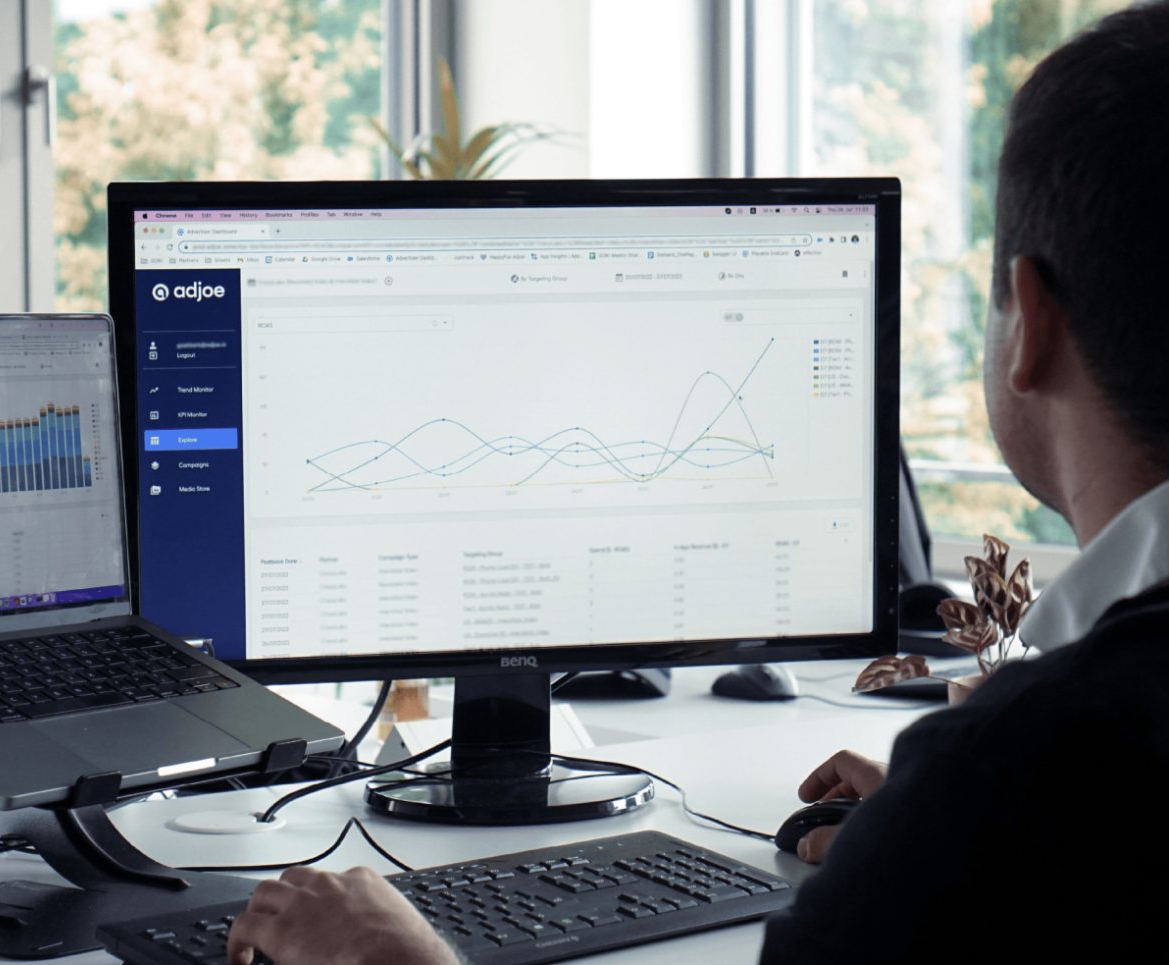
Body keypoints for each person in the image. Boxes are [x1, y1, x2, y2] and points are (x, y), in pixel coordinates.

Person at [228, 4, 1169, 962]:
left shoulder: (1035, 767)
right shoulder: (1054, 786)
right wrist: (947, 833)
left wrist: (388, 954)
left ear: (1034, 323)